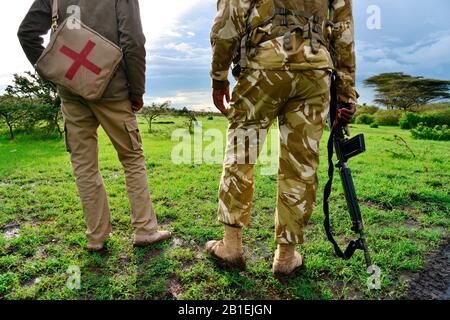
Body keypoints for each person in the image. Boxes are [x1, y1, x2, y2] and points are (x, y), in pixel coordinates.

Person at [207, 0, 358, 277]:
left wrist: (219, 76)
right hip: (315, 69)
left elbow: (228, 19)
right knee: (300, 164)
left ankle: (231, 247)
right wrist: (346, 93)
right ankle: (286, 257)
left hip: (262, 62)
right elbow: (344, 34)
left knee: (241, 154)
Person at [18, 0, 171, 252]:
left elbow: (26, 33)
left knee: (83, 165)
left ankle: (96, 237)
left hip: (70, 90)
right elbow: (133, 41)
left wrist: (55, 72)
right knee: (132, 158)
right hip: (114, 88)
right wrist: (137, 90)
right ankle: (145, 229)